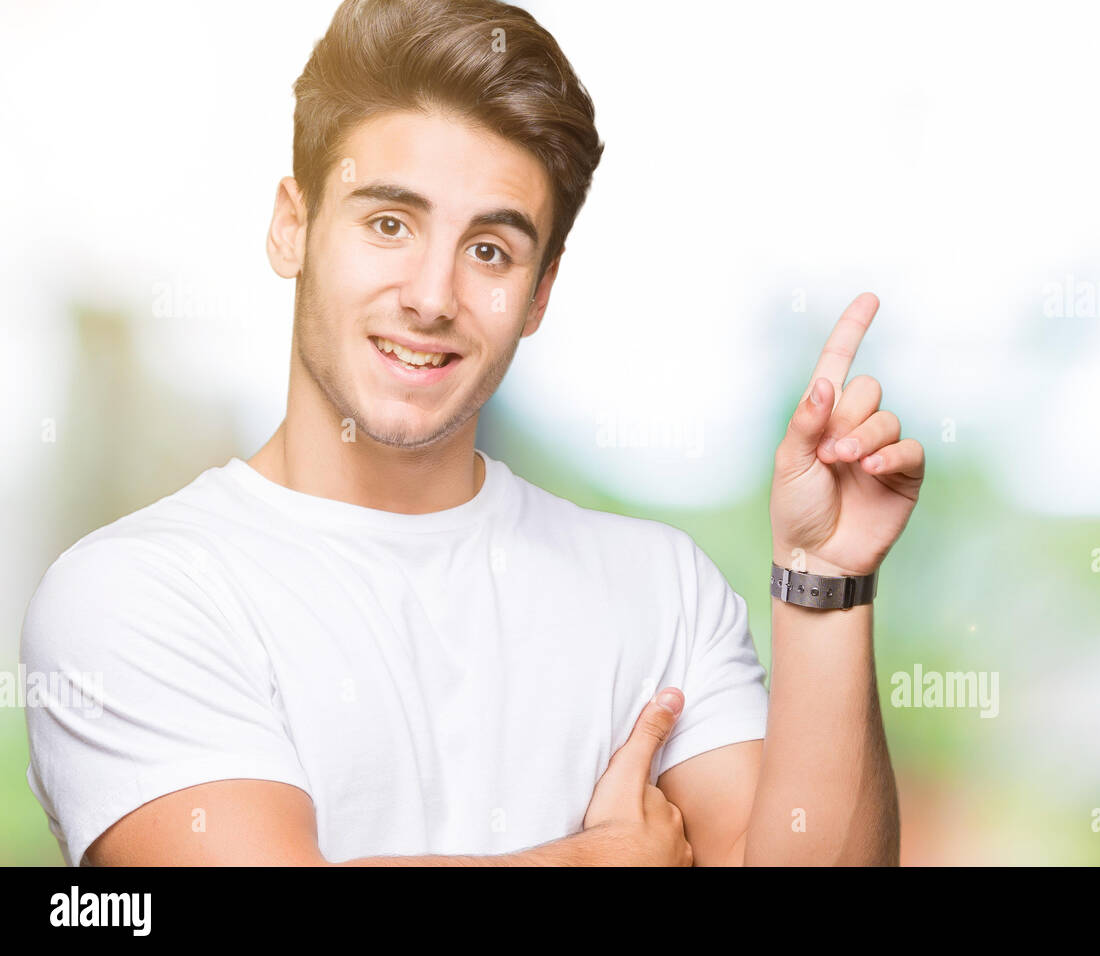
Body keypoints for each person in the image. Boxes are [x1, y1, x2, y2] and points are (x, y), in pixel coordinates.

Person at [22, 0, 924, 867]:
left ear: (540, 294)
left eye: (489, 249)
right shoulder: (137, 593)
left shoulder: (660, 590)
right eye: (388, 223)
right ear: (291, 227)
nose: (431, 295)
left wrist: (826, 580)